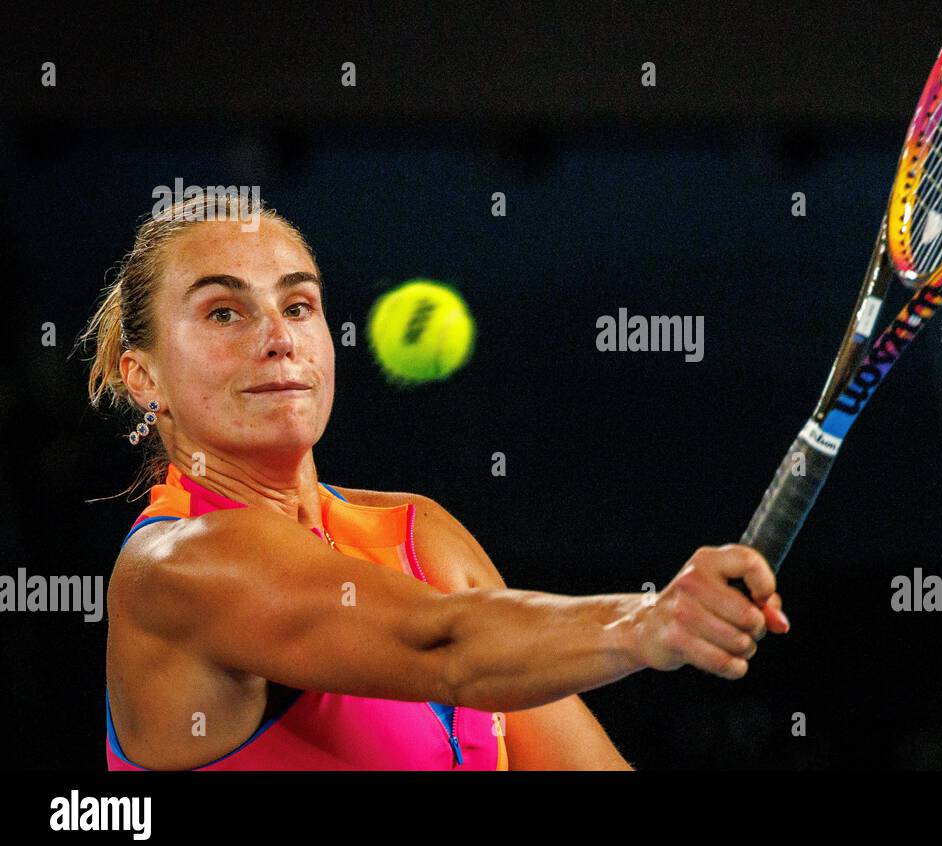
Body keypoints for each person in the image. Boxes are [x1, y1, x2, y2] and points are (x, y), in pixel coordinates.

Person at [84, 192, 789, 771]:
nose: (279, 337)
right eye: (224, 313)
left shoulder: (420, 533)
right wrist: (647, 621)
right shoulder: (179, 567)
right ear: (143, 377)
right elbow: (444, 647)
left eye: (298, 306)